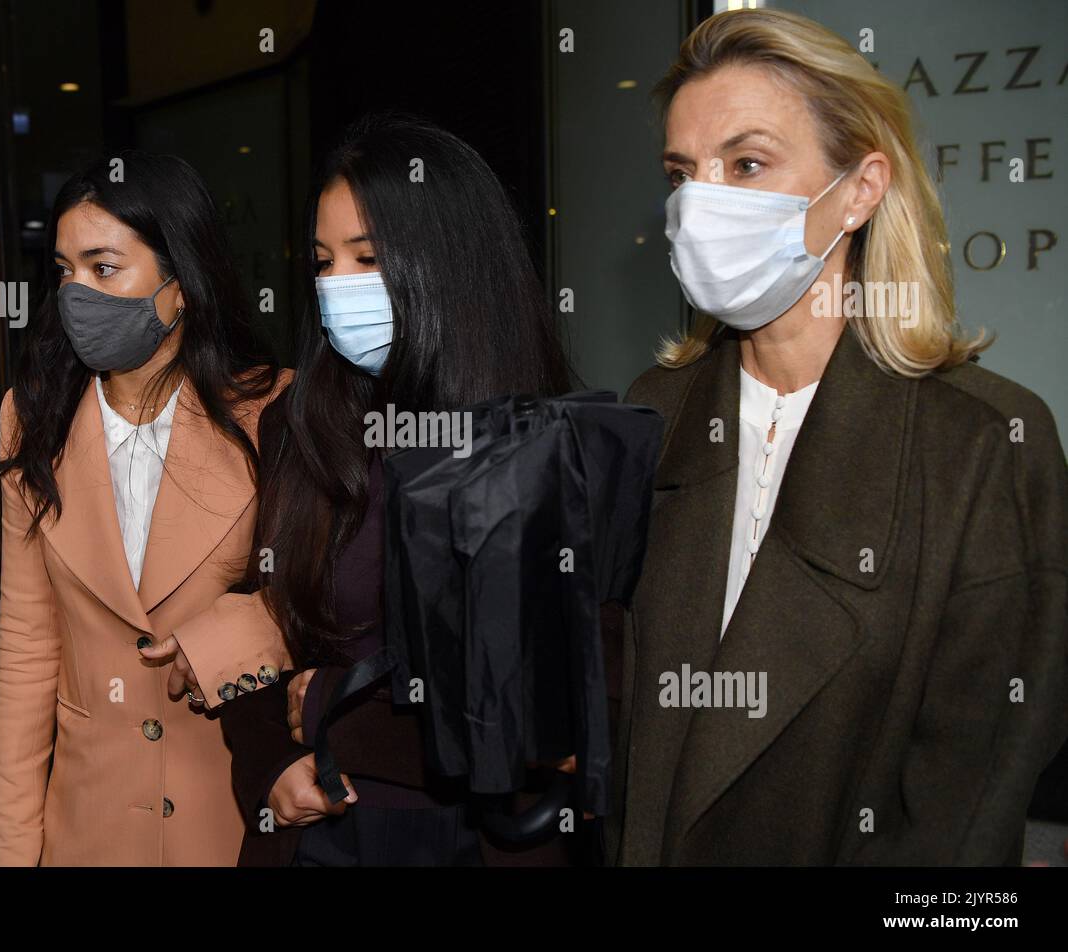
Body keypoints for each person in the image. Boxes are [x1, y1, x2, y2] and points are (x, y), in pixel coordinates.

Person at [607, 8, 1068, 866]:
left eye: (746, 164)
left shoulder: (983, 444)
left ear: (859, 190)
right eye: (683, 173)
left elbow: (970, 803)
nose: (701, 203)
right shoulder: (656, 411)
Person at [219, 114, 600, 866]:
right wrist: (267, 759)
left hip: (484, 840)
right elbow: (261, 623)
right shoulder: (297, 429)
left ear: (452, 263)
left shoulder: (552, 441)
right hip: (322, 839)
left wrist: (334, 712)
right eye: (324, 262)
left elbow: (560, 711)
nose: (338, 285)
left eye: (368, 257)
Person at [0, 151, 290, 865]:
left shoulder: (274, 412)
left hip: (236, 810)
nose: (77, 294)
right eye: (64, 271)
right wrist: (11, 849)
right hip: (87, 826)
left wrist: (217, 645)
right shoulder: (30, 420)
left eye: (103, 267)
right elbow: (28, 648)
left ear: (180, 281)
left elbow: (326, 603)